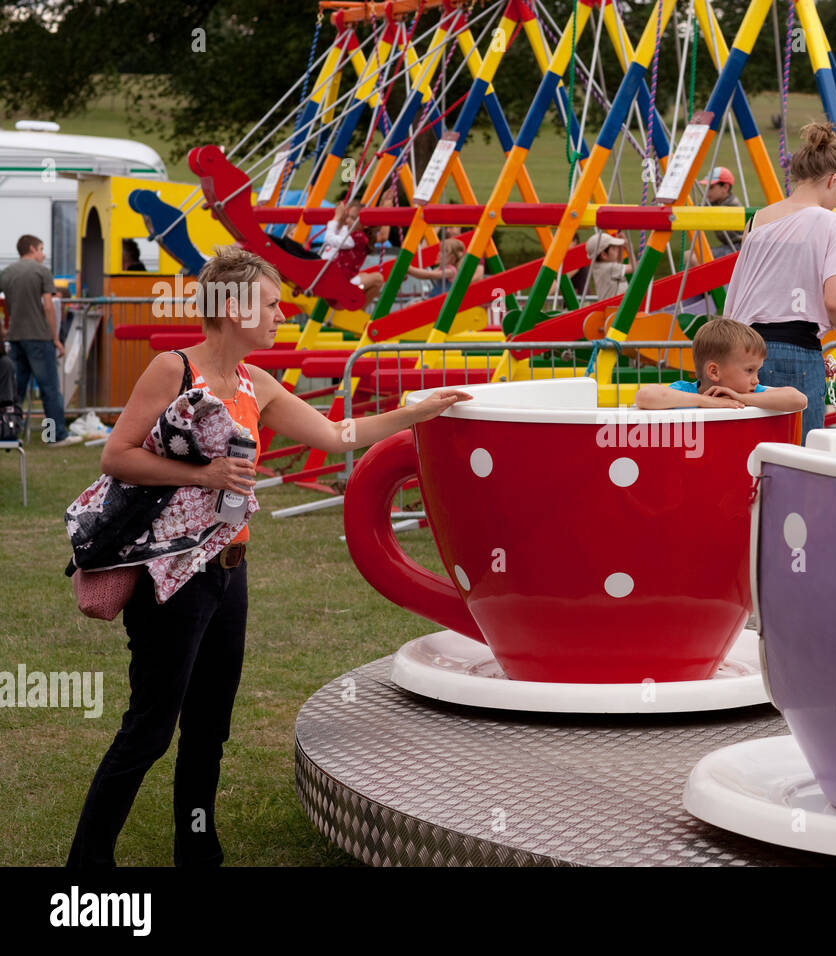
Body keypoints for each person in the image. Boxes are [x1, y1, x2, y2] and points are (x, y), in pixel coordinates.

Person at [66, 247, 471, 867]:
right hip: (171, 575)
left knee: (210, 725)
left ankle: (197, 847)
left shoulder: (256, 382)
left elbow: (339, 434)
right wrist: (205, 476)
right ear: (232, 307)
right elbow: (115, 455)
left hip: (230, 573)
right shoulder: (171, 370)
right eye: (272, 301)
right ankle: (88, 863)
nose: (283, 311)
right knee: (150, 729)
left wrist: (417, 412)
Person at [723, 122, 836, 442]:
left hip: (742, 350)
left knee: (750, 448)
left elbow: (741, 287)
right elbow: (833, 300)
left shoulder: (758, 219)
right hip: (794, 351)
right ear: (833, 180)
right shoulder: (832, 224)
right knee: (799, 453)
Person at [634, 318, 806, 413]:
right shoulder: (685, 390)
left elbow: (798, 400)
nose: (756, 379)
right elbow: (645, 396)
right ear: (714, 371)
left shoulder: (749, 393)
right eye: (749, 370)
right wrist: (706, 401)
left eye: (757, 370)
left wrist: (741, 399)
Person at [0, 234, 73, 445]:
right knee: (48, 389)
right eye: (41, 249)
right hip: (39, 338)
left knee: (16, 389)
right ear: (32, 249)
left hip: (15, 337)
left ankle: (10, 430)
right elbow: (49, 306)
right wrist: (56, 338)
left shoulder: (7, 273)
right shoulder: (42, 272)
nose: (43, 254)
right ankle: (53, 435)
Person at [408, 236, 483, 298]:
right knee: (413, 304)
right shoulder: (441, 268)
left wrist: (410, 269)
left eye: (443, 252)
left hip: (442, 303)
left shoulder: (451, 271)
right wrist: (409, 271)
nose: (439, 254)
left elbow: (429, 275)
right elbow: (425, 275)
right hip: (435, 298)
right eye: (440, 251)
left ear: (452, 258)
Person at [586, 231, 632, 302]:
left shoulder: (600, 266)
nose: (616, 250)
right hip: (615, 309)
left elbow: (618, 262)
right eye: (614, 248)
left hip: (611, 308)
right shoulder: (610, 268)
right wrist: (629, 247)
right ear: (604, 255)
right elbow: (633, 267)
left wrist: (620, 245)